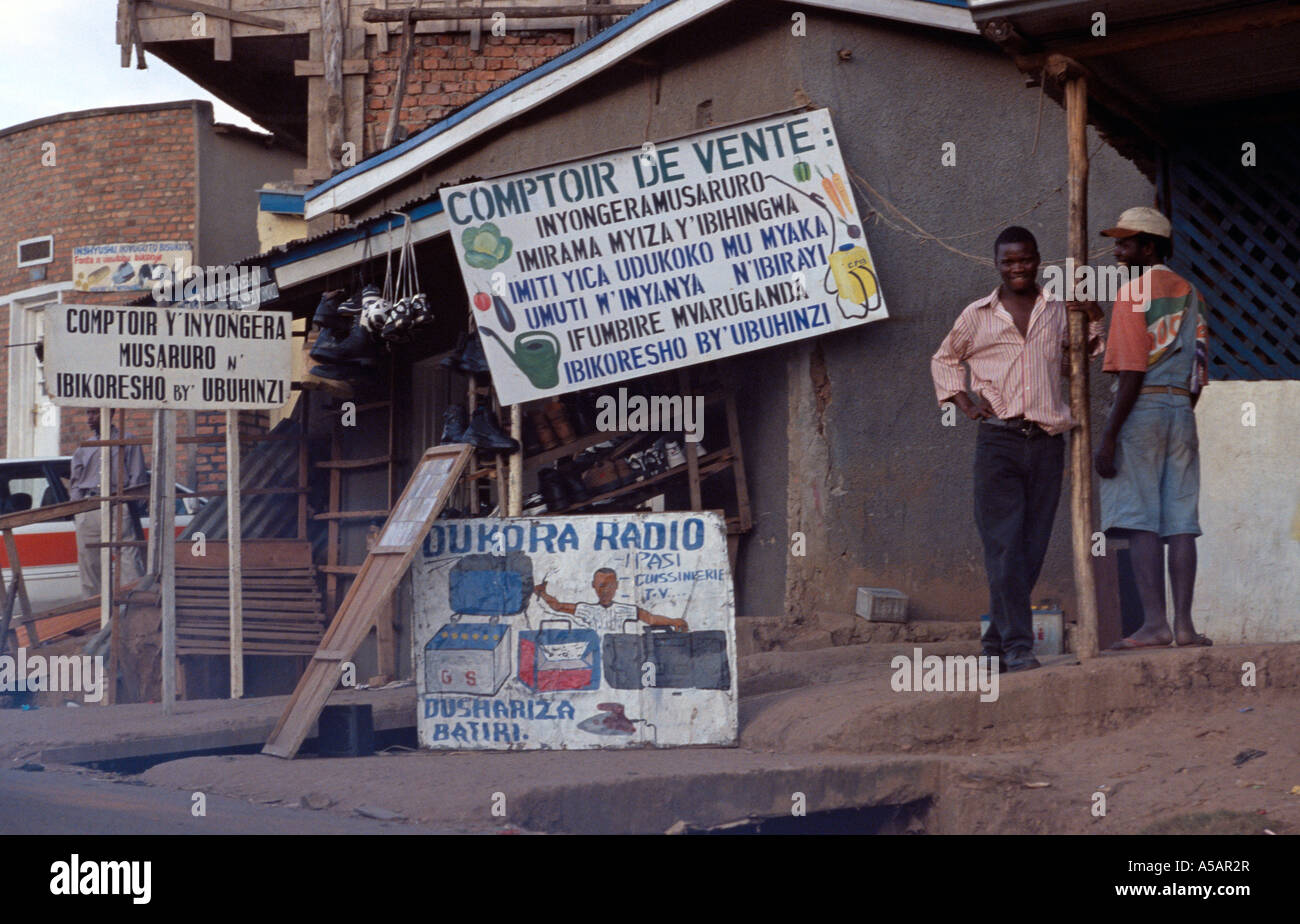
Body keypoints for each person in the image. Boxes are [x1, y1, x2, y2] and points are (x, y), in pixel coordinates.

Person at [931, 226, 1103, 672]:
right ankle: (1019, 646)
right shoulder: (977, 315)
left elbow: (1080, 358)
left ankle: (993, 644)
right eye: (1009, 262)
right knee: (1003, 547)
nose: (1018, 268)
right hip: (999, 442)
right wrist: (964, 401)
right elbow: (944, 358)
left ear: (1038, 260)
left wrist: (1094, 317)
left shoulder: (1058, 310)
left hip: (1046, 442)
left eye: (1025, 259)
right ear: (997, 265)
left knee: (1031, 548)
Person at [1095, 207, 1211, 649]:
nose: (1119, 250)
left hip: (1139, 410)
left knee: (1141, 518)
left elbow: (1130, 371)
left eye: (1127, 242)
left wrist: (1109, 435)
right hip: (1182, 410)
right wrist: (1177, 406)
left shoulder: (1132, 294)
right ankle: (1184, 627)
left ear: (1150, 246)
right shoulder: (1191, 293)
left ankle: (1154, 624)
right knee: (1181, 521)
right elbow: (1199, 372)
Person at [69, 408, 150, 598]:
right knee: (90, 563)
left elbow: (138, 477)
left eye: (95, 413)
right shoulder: (84, 447)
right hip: (89, 507)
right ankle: (93, 611)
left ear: (109, 413)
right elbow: (76, 482)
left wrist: (130, 507)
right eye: (88, 413)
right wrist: (78, 510)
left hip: (117, 503)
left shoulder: (128, 441)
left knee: (128, 558)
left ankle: (134, 605)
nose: (90, 418)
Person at [533, 568, 688, 632]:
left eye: (610, 585)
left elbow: (651, 619)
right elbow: (558, 606)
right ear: (593, 586)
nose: (606, 590)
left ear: (617, 587)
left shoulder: (626, 610)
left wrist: (673, 621)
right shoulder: (586, 609)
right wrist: (543, 593)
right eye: (601, 585)